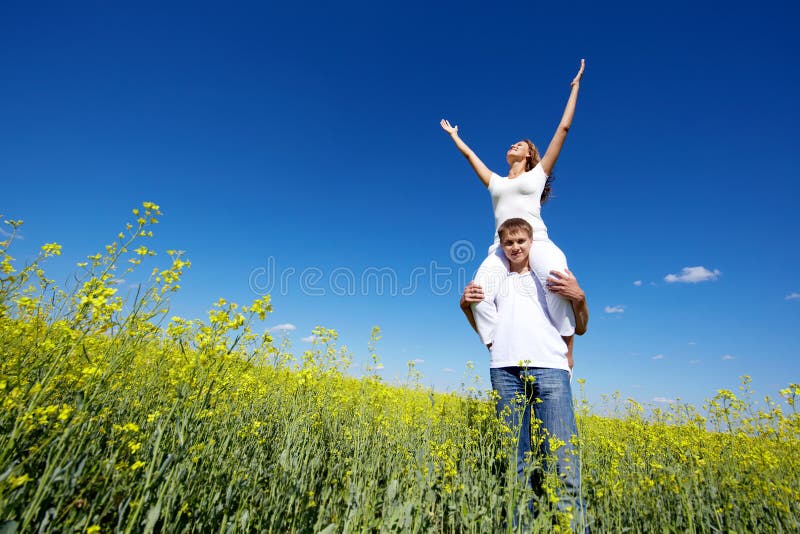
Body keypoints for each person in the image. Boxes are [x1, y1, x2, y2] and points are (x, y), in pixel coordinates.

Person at [441, 58, 586, 368]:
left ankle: (567, 351)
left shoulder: (538, 175)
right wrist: (454, 136)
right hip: (500, 245)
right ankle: (497, 347)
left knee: (557, 281)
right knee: (477, 294)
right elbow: (470, 156)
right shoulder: (495, 181)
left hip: (537, 241)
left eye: (520, 144)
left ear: (530, 154)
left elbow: (563, 127)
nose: (513, 144)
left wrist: (575, 88)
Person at [459, 218, 589, 529]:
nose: (515, 247)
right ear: (501, 247)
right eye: (509, 243)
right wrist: (466, 307)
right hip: (504, 371)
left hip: (550, 369)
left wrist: (579, 297)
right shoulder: (496, 278)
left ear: (532, 243)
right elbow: (487, 332)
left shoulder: (550, 277)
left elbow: (580, 327)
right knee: (514, 462)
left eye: (521, 241)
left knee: (562, 462)